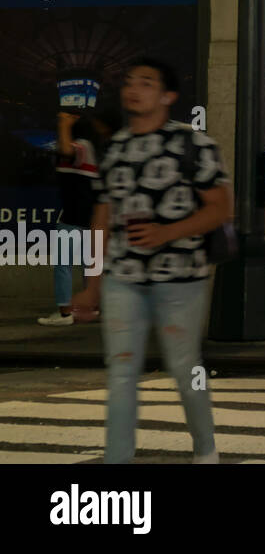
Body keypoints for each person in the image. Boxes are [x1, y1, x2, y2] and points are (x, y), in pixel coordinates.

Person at [69, 58, 233, 464]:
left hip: (180, 279)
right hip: (124, 278)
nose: (134, 89)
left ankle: (205, 449)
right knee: (121, 373)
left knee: (183, 368)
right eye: (129, 82)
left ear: (168, 96)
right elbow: (101, 219)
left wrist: (166, 233)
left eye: (146, 82)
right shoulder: (116, 149)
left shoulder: (193, 145)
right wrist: (92, 285)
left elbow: (220, 209)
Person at [38, 108, 119, 326]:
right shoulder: (94, 148)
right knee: (89, 265)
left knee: (63, 265)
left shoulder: (83, 146)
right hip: (88, 218)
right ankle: (90, 310)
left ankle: (65, 314)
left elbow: (65, 150)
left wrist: (64, 123)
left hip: (73, 218)